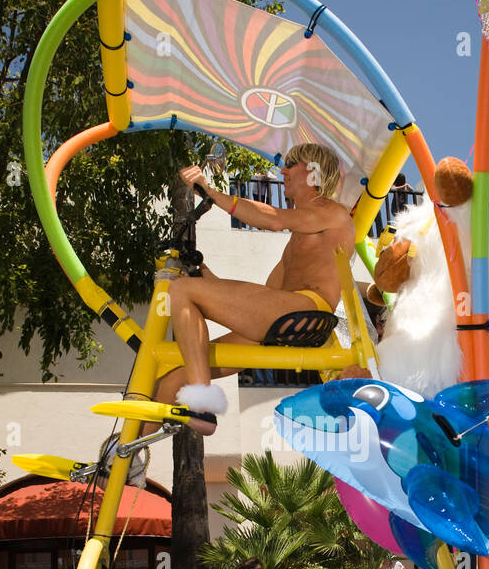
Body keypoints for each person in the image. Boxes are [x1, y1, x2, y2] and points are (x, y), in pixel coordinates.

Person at [149, 144, 355, 437]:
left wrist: (211, 193)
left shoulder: (334, 214)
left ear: (314, 172)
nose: (281, 171)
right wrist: (204, 274)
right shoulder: (300, 242)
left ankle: (202, 402)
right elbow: (264, 297)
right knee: (171, 380)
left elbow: (272, 219)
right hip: (283, 317)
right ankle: (125, 462)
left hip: (305, 312)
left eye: (291, 163)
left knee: (181, 291)